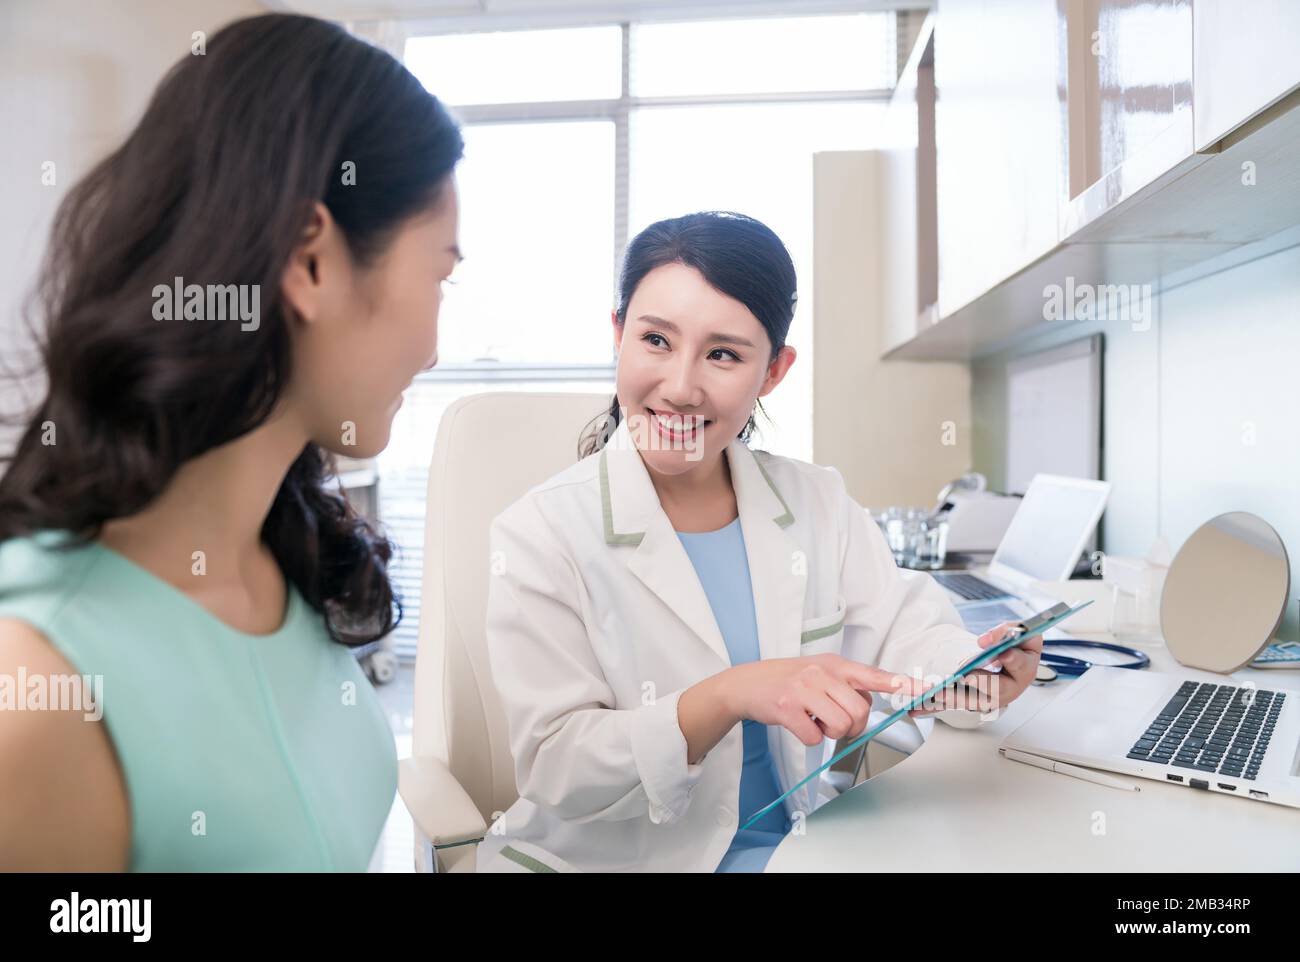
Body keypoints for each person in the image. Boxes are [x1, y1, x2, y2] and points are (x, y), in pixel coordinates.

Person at [0, 13, 464, 870]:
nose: (435, 346)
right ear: (311, 261)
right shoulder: (40, 695)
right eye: (440, 272)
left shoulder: (283, 556)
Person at [478, 211, 1039, 873]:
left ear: (773, 370)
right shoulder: (540, 532)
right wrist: (726, 695)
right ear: (618, 334)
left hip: (793, 853)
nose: (680, 386)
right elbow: (557, 765)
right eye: (656, 339)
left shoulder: (815, 503)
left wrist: (968, 675)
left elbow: (904, 635)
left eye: (723, 354)